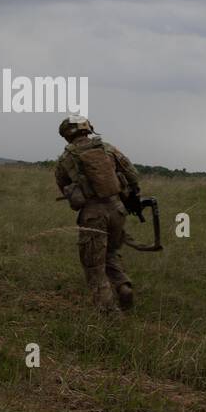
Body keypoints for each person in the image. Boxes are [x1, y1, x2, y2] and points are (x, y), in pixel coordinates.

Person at [53, 115, 140, 312]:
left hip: (93, 215)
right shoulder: (107, 148)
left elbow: (63, 186)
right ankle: (123, 287)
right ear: (88, 129)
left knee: (94, 265)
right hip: (118, 210)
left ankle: (108, 313)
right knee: (110, 252)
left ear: (67, 134)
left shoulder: (66, 159)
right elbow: (132, 174)